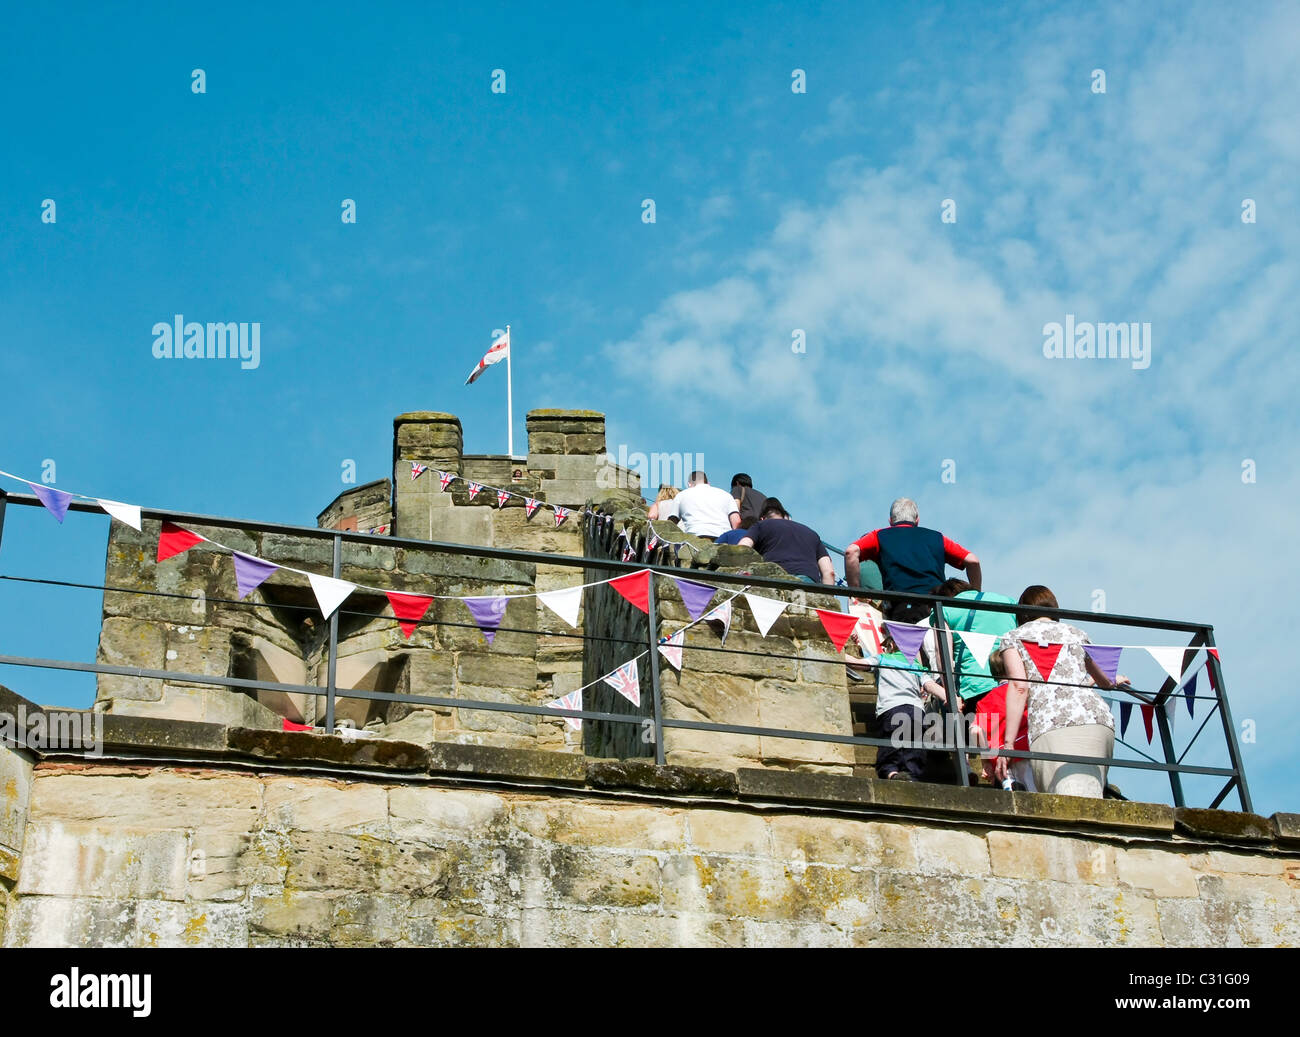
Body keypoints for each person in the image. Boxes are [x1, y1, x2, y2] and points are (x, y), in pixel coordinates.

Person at [994, 585, 1128, 798]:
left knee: (1070, 803)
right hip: (1097, 720)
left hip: (1052, 723)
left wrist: (1008, 745)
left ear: (1023, 612)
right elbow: (1104, 681)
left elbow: (1019, 686)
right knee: (1089, 795)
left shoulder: (1013, 637)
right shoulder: (1077, 633)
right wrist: (1115, 681)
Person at [928, 578, 1020, 782]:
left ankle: (970, 769)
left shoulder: (943, 608)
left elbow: (941, 652)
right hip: (1012, 684)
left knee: (979, 732)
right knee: (1010, 737)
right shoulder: (1007, 601)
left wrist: (949, 691)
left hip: (975, 686)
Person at [844, 498, 981, 622]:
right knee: (942, 648)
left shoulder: (880, 535)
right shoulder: (937, 537)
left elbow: (851, 552)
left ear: (891, 521)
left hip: (904, 608)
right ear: (917, 520)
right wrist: (975, 598)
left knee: (909, 648)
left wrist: (856, 594)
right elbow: (973, 561)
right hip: (939, 609)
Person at [870, 632, 948, 781]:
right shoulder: (915, 665)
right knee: (914, 748)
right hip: (915, 711)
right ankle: (911, 776)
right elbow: (930, 685)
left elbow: (857, 663)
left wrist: (838, 653)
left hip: (891, 708)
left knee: (890, 746)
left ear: (891, 645)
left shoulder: (882, 658)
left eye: (886, 646)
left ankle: (891, 773)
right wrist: (950, 698)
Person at [736, 498, 836, 584]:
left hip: (776, 581)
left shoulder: (760, 525)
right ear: (786, 516)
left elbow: (742, 549)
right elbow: (829, 572)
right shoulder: (812, 534)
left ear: (762, 518)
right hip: (809, 584)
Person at [673, 471, 741, 540]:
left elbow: (672, 520)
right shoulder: (726, 495)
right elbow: (736, 521)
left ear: (689, 484)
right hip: (723, 539)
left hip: (695, 539)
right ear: (708, 483)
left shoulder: (681, 495)